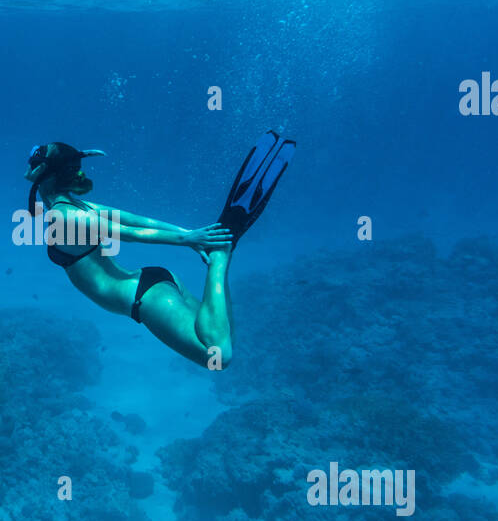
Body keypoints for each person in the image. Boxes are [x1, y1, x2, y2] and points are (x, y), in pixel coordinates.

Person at [24, 130, 295, 368]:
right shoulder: (78, 207)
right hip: (150, 284)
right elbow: (134, 220)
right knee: (219, 330)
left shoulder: (62, 215)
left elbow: (130, 232)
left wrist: (189, 239)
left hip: (143, 299)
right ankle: (220, 254)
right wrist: (188, 234)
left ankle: (221, 257)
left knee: (218, 357)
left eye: (34, 162)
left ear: (43, 173)